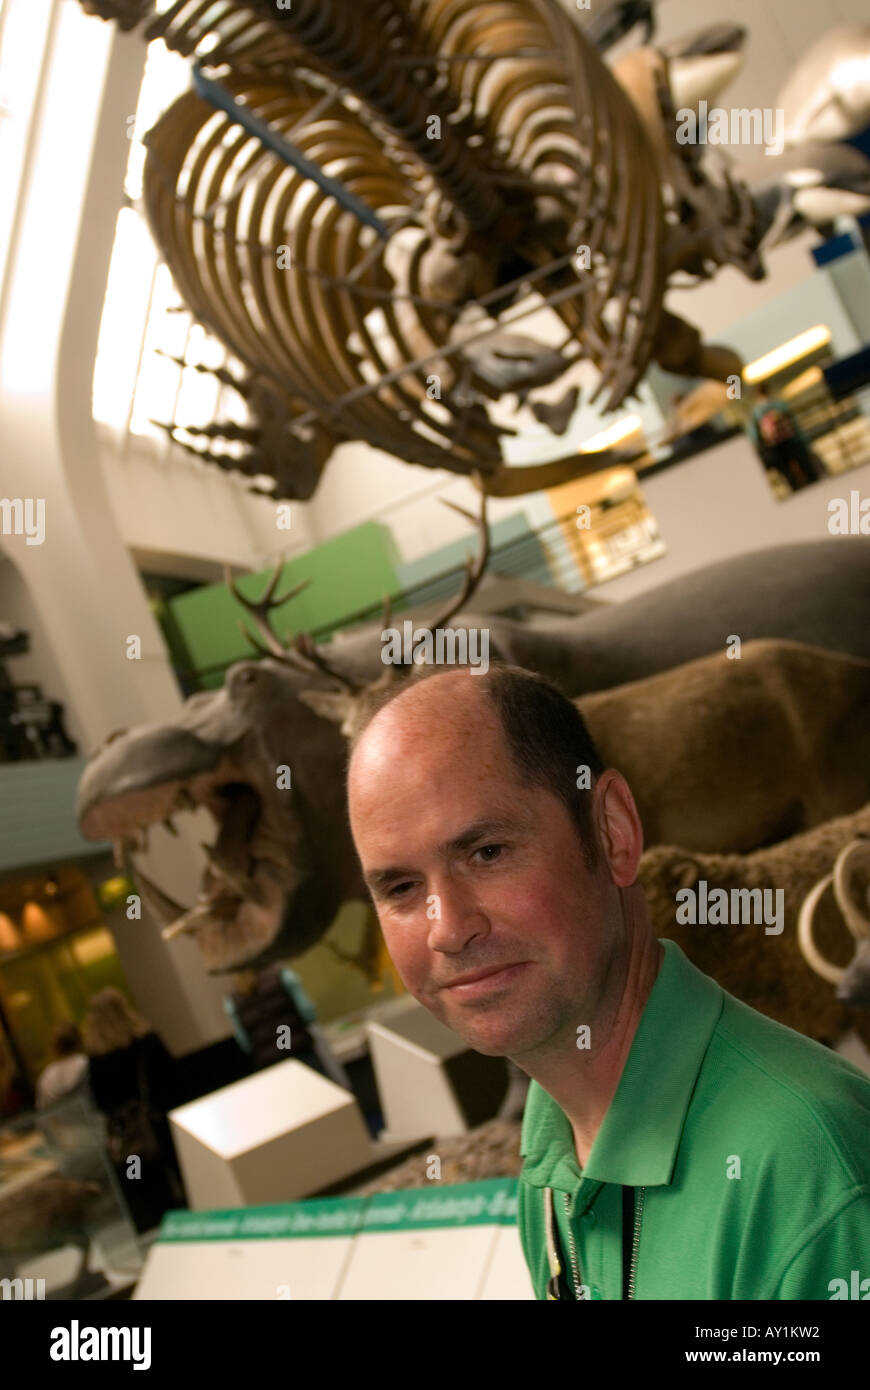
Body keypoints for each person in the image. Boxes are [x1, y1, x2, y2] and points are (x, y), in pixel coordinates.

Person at [345, 664, 870, 1300]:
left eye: (487, 854)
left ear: (612, 832)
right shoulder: (552, 1136)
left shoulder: (812, 1176)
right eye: (401, 888)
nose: (447, 928)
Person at [81, 988, 184, 1234]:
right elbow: (173, 1081)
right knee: (172, 1183)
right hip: (158, 1128)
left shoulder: (97, 1059)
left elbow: (98, 1102)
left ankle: (156, 1233)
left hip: (128, 1138)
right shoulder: (146, 1042)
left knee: (141, 1185)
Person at [224, 963, 352, 1089]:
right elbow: (308, 1013)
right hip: (301, 1055)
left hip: (272, 1068)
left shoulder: (232, 1000)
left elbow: (245, 1043)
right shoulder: (281, 975)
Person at [748, 382, 826, 492]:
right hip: (792, 442)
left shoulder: (756, 413)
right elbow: (795, 425)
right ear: (768, 390)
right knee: (806, 468)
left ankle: (796, 491)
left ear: (756, 395)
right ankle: (815, 486)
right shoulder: (780, 405)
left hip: (775, 448)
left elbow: (755, 436)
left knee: (788, 475)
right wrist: (805, 442)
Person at [35, 1021, 90, 1110]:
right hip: (93, 1122)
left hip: (62, 1124)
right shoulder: (86, 1063)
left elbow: (42, 1112)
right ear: (79, 1040)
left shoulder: (46, 1077)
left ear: (55, 1046)